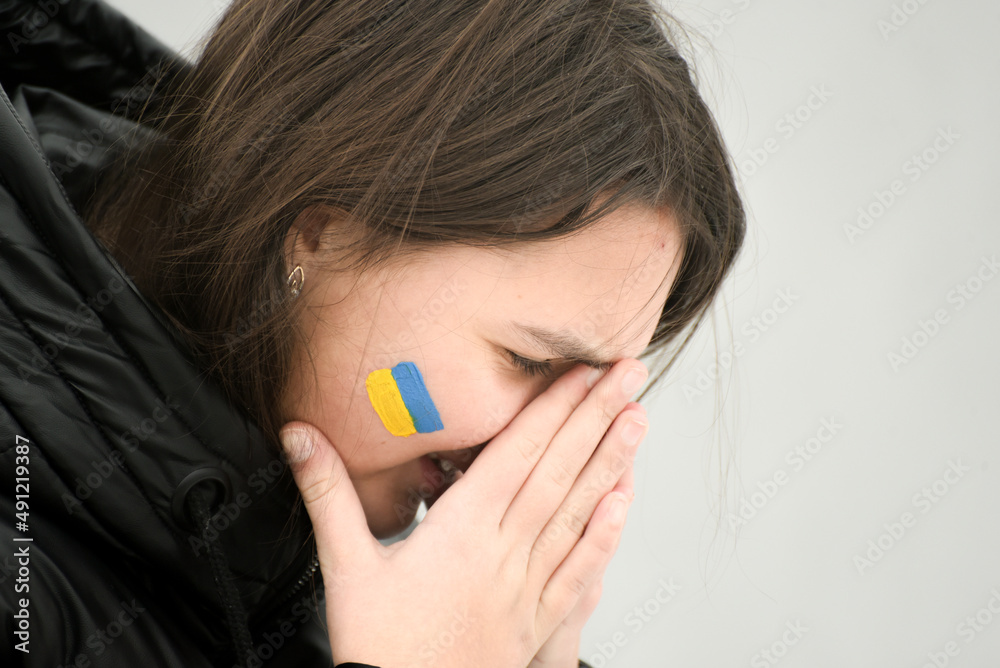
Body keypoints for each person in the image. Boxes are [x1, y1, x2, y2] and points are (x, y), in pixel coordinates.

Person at [0, 0, 745, 666]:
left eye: (592, 392)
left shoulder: (342, 579)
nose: (547, 442)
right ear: (321, 239)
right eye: (530, 360)